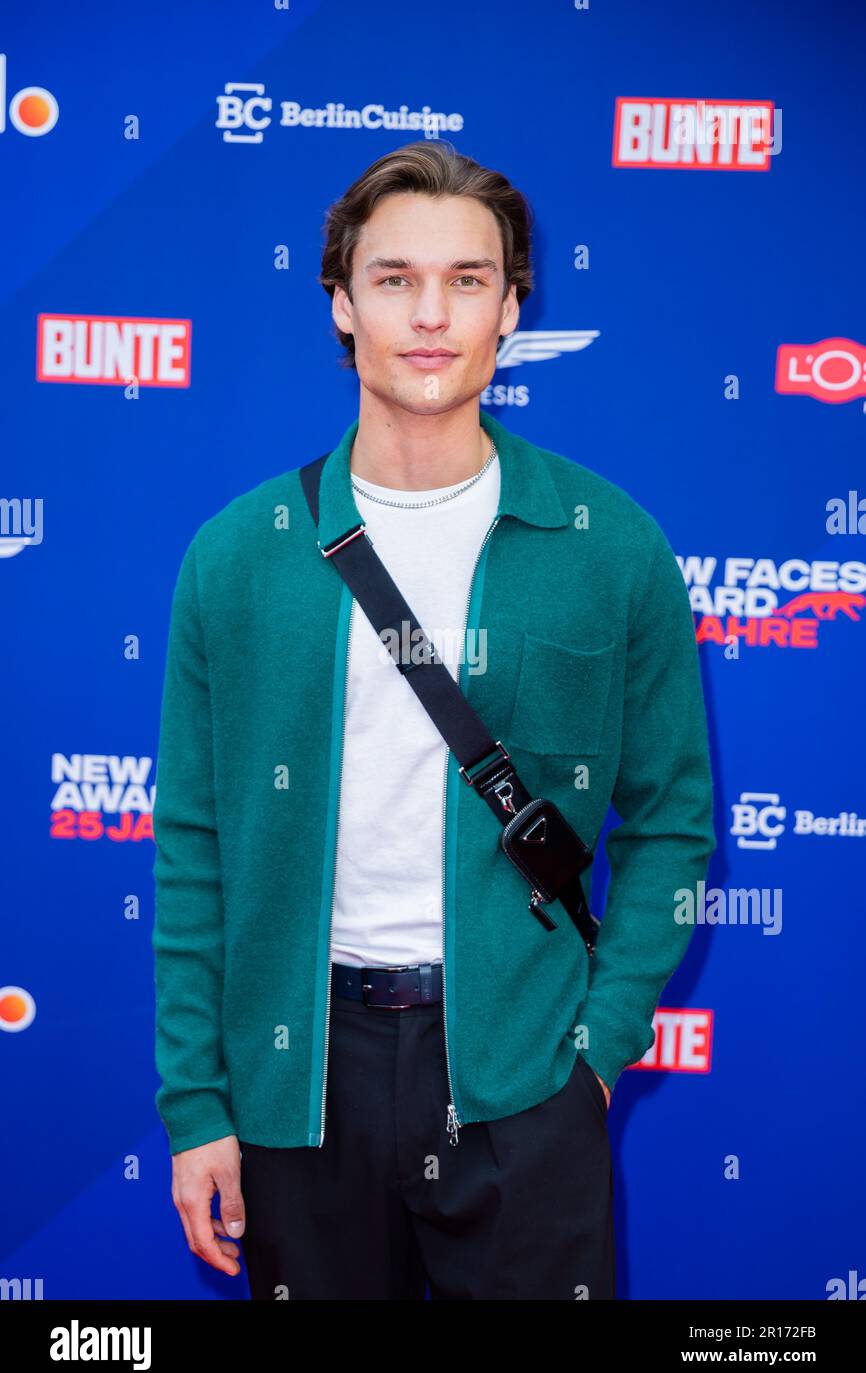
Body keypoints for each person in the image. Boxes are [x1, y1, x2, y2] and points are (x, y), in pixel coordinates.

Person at [152, 140, 716, 1300]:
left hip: (520, 1069)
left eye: (466, 280)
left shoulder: (607, 545)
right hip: (297, 1073)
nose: (429, 313)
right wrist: (198, 1105)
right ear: (341, 304)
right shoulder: (234, 557)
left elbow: (674, 824)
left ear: (512, 307)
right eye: (394, 277)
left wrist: (594, 1055)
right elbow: (195, 846)